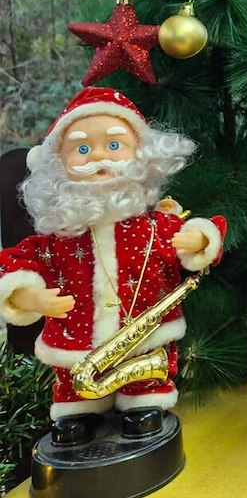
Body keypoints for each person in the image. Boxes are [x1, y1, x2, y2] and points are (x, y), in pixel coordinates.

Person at [0, 87, 226, 444]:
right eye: (83, 149)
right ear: (58, 162)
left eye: (115, 145)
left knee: (146, 378)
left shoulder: (157, 226)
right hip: (76, 343)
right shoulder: (57, 240)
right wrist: (27, 295)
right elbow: (18, 262)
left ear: (142, 155)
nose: (99, 158)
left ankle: (143, 404)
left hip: (144, 340)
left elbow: (205, 238)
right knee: (74, 393)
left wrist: (199, 240)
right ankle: (79, 415)